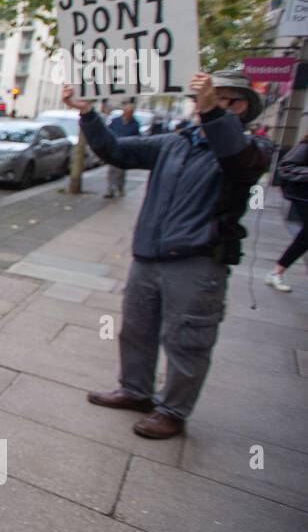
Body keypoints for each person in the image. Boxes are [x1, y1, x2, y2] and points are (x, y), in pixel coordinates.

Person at [65, 71, 271, 439]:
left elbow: (235, 157)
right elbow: (117, 151)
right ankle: (135, 391)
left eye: (212, 96)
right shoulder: (177, 142)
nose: (198, 103)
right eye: (200, 97)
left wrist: (212, 114)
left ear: (237, 107)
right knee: (136, 330)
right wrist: (88, 115)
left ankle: (173, 411)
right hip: (149, 256)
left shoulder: (249, 151)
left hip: (197, 260)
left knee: (187, 339)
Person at [266, 134, 308, 292]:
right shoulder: (305, 146)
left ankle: (276, 272)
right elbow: (285, 168)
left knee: (305, 237)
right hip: (303, 197)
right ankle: (276, 272)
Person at [104, 101, 139, 198]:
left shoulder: (135, 124)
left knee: (121, 170)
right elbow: (108, 132)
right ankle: (110, 189)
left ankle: (120, 187)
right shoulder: (115, 121)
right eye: (127, 111)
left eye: (130, 111)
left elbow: (136, 137)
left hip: (125, 149)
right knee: (112, 169)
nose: (128, 113)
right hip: (114, 147)